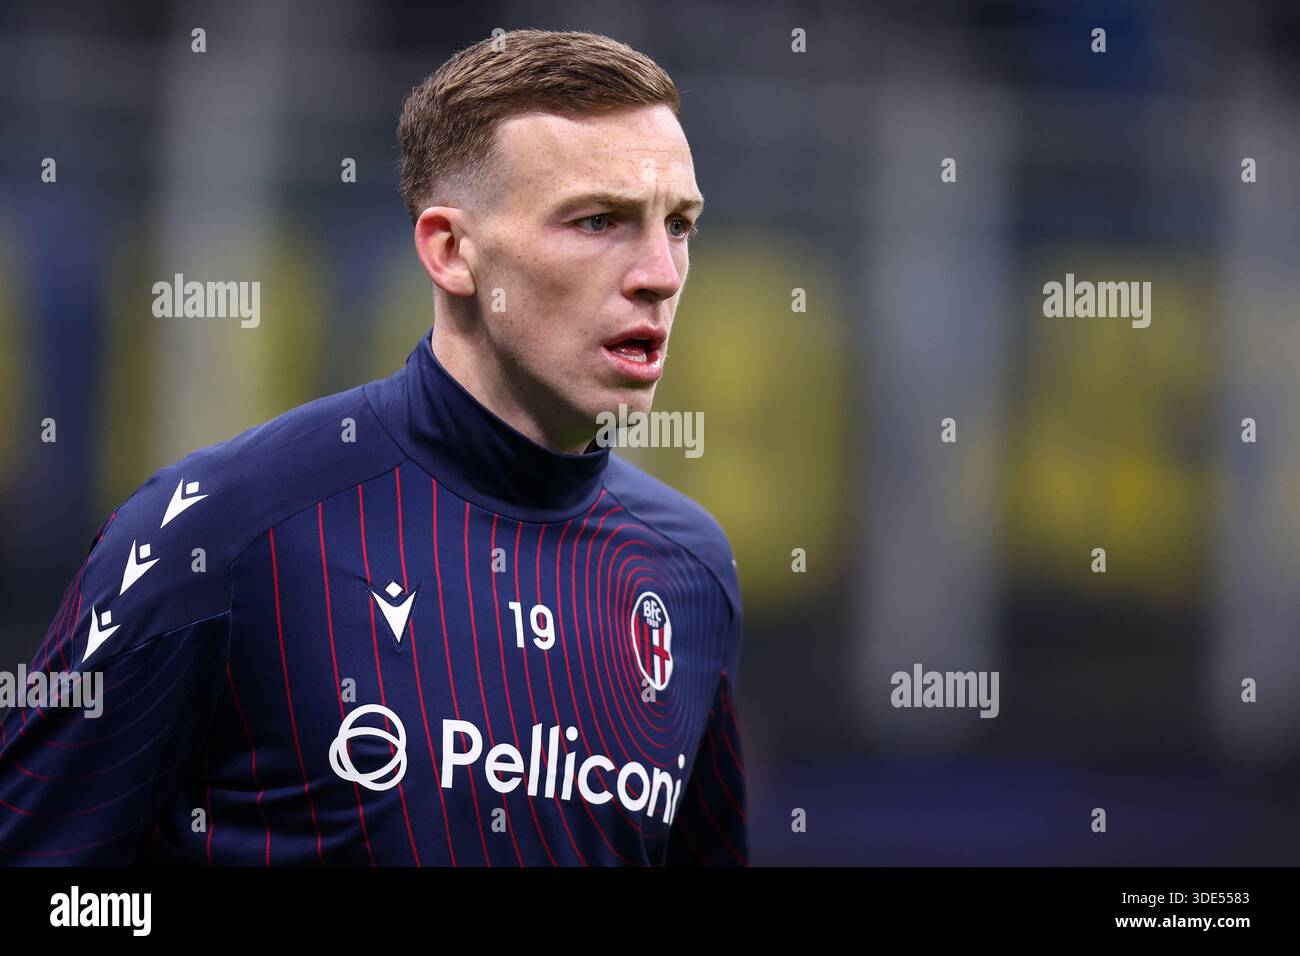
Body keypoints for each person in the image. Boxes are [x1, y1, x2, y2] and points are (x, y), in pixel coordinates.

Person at [0, 29, 747, 866]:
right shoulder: (227, 529)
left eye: (678, 225)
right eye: (598, 220)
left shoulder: (691, 572)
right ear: (451, 250)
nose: (660, 272)